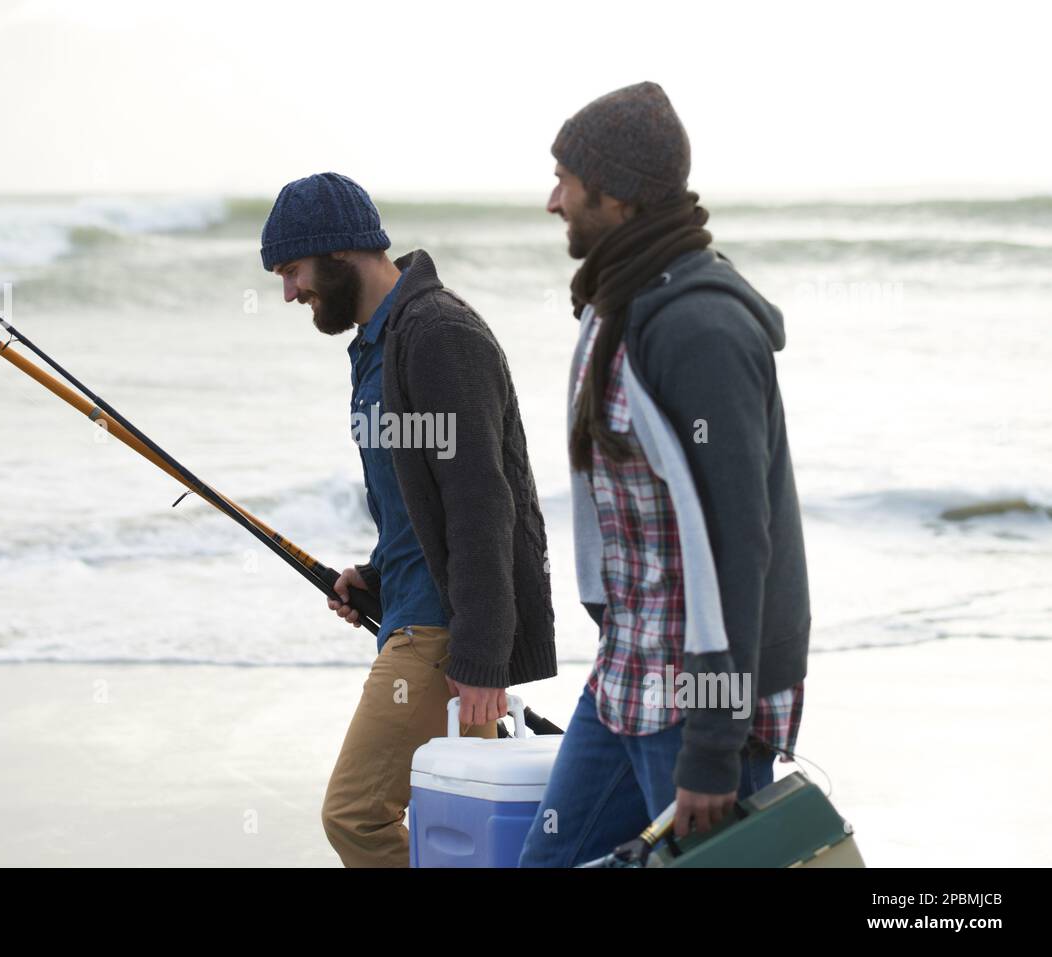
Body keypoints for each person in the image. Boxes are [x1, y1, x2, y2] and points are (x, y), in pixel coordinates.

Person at [520, 82, 810, 867]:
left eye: (566, 180)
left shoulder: (699, 327)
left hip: (695, 703)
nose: (553, 200)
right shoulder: (619, 304)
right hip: (623, 677)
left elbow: (737, 545)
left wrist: (715, 745)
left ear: (614, 196)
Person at [261, 172, 556, 867]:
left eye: (293, 270)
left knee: (356, 814)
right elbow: (418, 501)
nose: (288, 292)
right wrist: (378, 574)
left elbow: (483, 503)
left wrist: (481, 655)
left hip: (443, 632)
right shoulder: (380, 344)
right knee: (465, 827)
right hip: (419, 610)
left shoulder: (436, 335)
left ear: (338, 253)